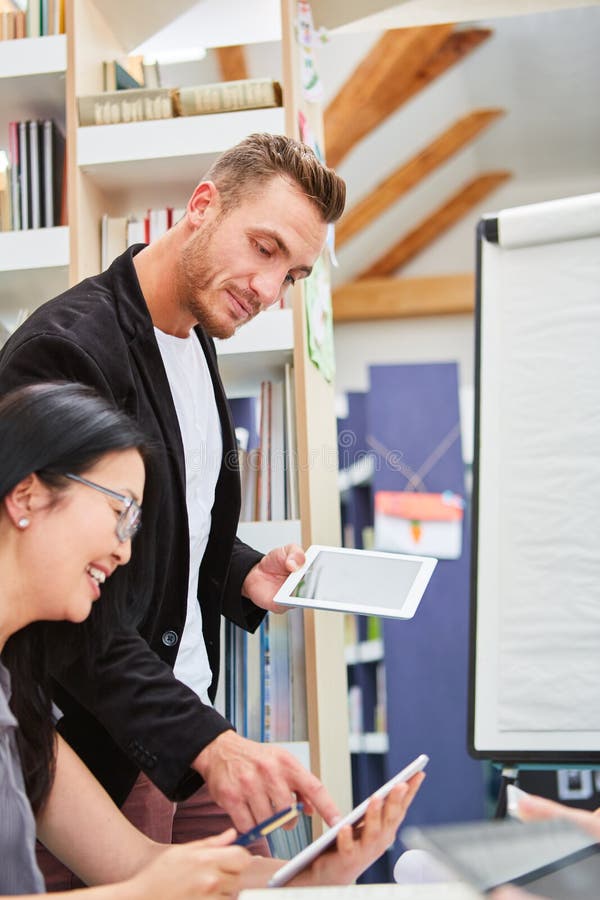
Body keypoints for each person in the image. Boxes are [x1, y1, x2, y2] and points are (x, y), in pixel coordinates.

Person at [0, 132, 350, 885]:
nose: (267, 290)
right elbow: (53, 586)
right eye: (263, 249)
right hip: (101, 737)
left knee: (277, 881)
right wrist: (204, 741)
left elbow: (166, 519)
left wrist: (245, 574)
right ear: (201, 207)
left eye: (291, 275)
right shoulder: (66, 350)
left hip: (188, 710)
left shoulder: (197, 335)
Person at [0, 380, 425, 898]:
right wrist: (149, 888)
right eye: (119, 513)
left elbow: (134, 861)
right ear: (26, 495)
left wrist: (313, 875)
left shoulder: (20, 703)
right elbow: (143, 880)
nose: (126, 553)